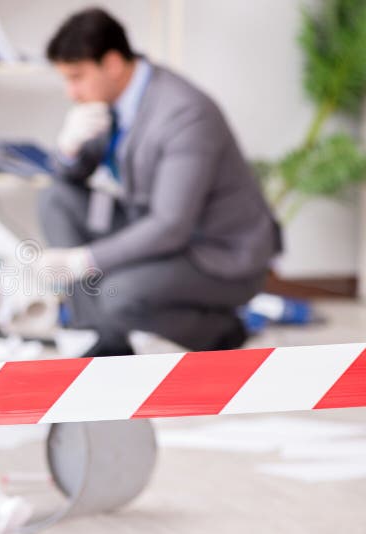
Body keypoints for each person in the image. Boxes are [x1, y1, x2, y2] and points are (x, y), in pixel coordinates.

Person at [36, 7, 282, 355]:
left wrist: (85, 260)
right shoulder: (108, 102)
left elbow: (171, 226)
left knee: (115, 293)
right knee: (55, 199)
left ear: (113, 64)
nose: (70, 93)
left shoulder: (184, 113)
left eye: (76, 77)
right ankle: (103, 337)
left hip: (217, 254)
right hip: (153, 227)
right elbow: (71, 178)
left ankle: (224, 332)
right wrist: (68, 149)